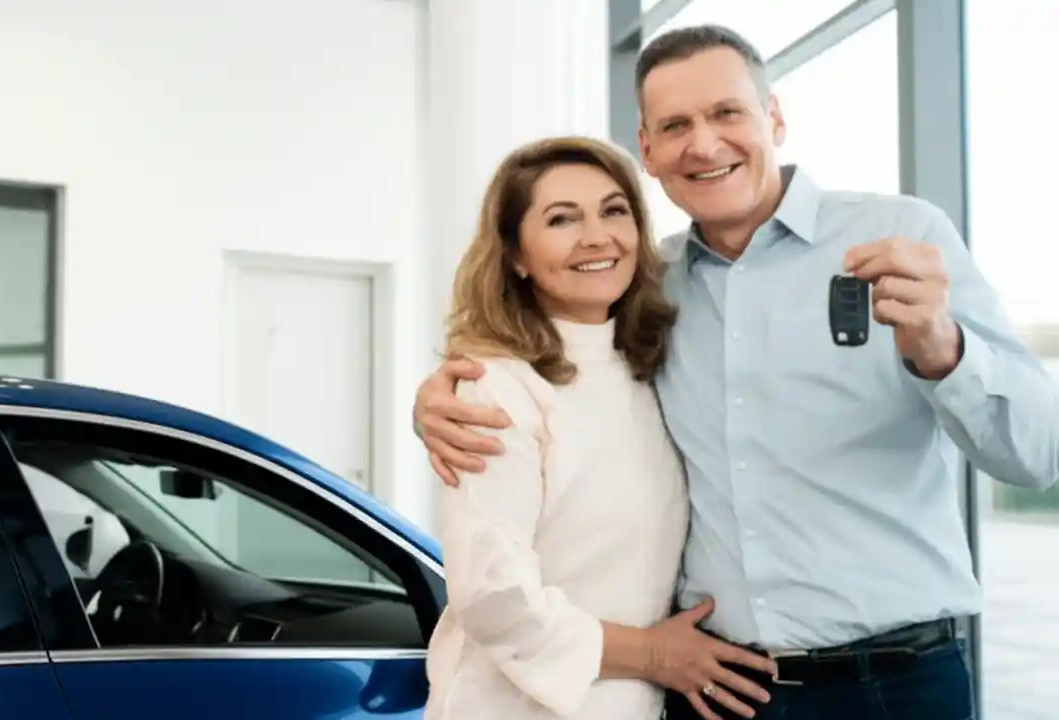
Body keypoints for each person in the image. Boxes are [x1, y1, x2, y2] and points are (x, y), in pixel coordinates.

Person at [413, 25, 1059, 720]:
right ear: (649, 149)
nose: (704, 142)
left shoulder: (903, 237)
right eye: (676, 125)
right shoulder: (648, 288)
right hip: (717, 692)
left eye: (727, 113)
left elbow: (1036, 454)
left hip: (894, 685)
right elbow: (556, 369)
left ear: (773, 118)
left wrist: (945, 350)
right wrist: (436, 397)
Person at [423, 135, 777, 720]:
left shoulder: (648, 368)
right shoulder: (495, 386)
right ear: (516, 255)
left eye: (614, 211)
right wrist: (653, 655)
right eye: (562, 219)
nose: (596, 236)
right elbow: (493, 596)